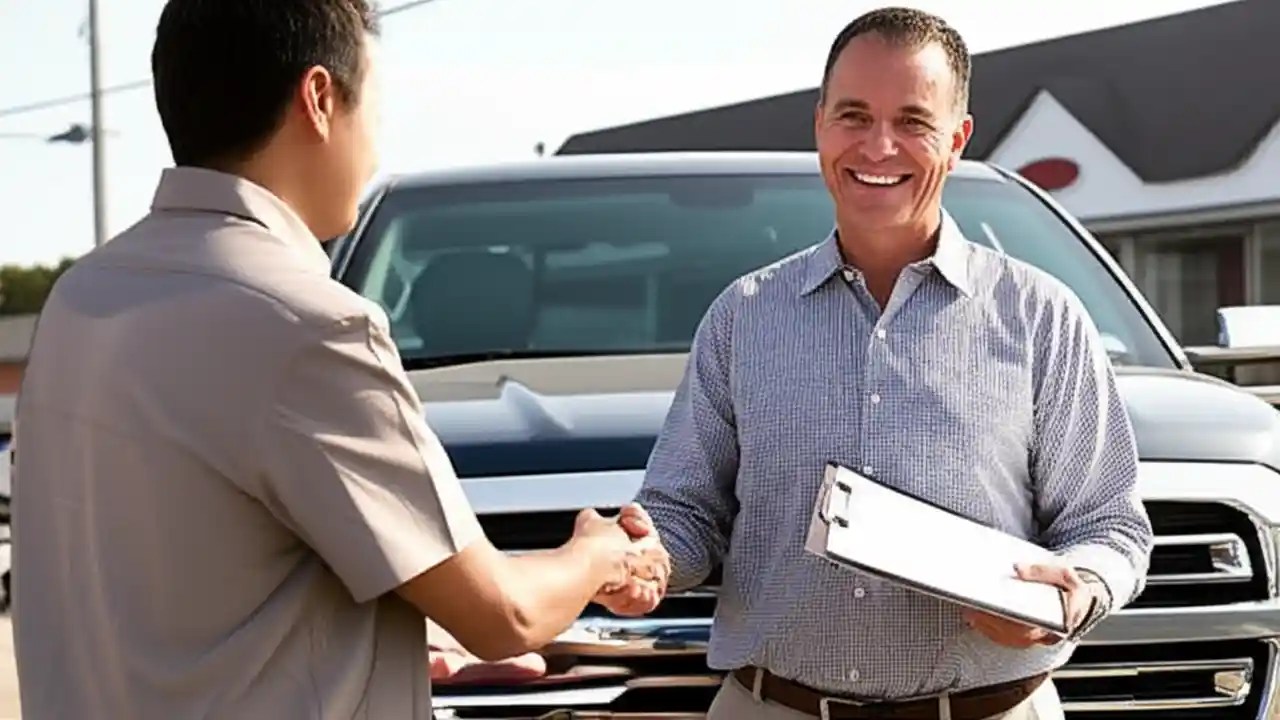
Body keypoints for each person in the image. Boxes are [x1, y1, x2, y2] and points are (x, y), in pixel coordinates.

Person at [10, 1, 667, 718]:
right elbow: (501, 617)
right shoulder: (308, 324)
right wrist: (599, 554)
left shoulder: (81, 298)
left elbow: (184, 586)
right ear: (320, 100)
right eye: (376, 111)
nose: (377, 144)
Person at [628, 7, 1154, 720]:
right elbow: (686, 513)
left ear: (958, 138)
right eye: (853, 115)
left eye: (912, 120)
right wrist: (644, 559)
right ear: (820, 124)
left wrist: (1069, 596)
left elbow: (1109, 526)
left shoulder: (1041, 316)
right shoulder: (742, 318)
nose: (879, 147)